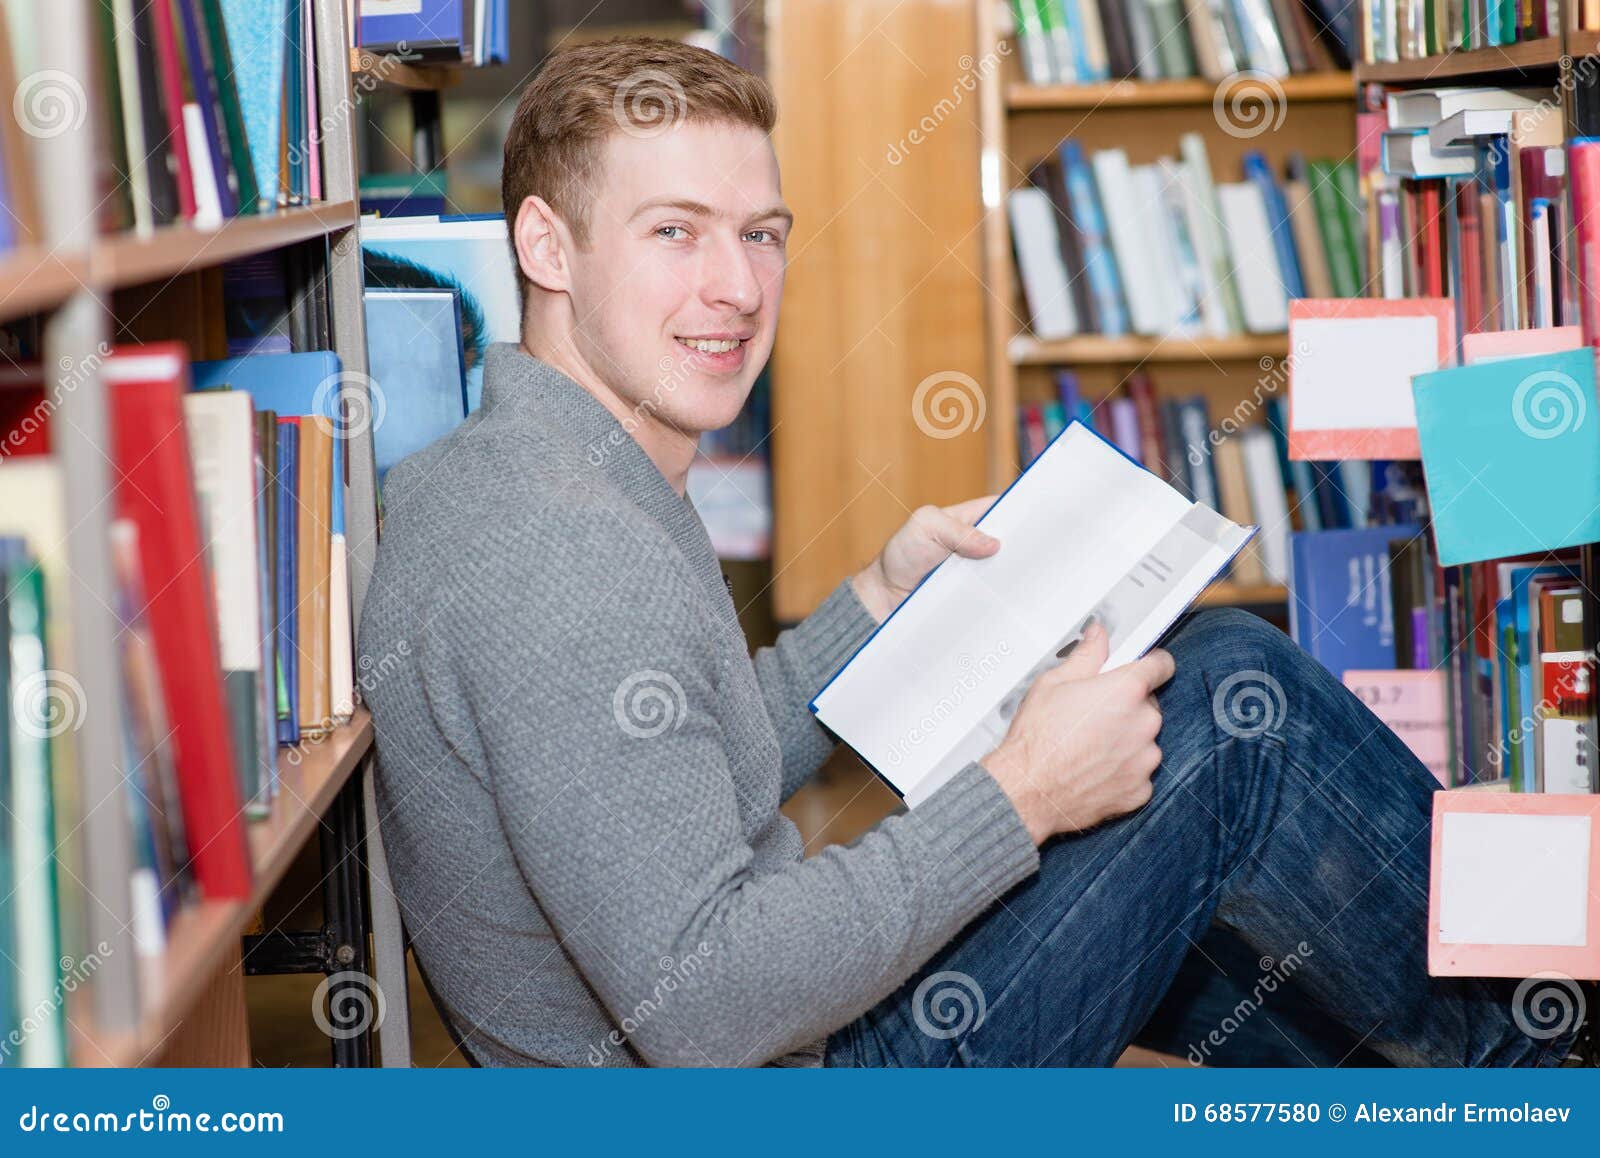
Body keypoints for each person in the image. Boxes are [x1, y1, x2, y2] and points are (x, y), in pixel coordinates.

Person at [358, 37, 1581, 1068]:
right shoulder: (571, 550)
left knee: (1198, 863)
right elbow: (707, 1001)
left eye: (762, 233)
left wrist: (878, 602)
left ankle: (1491, 1086)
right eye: (674, 232)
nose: (735, 285)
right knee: (1229, 698)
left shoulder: (509, 474)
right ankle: (1551, 1057)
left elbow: (677, 767)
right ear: (545, 247)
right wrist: (1024, 792)